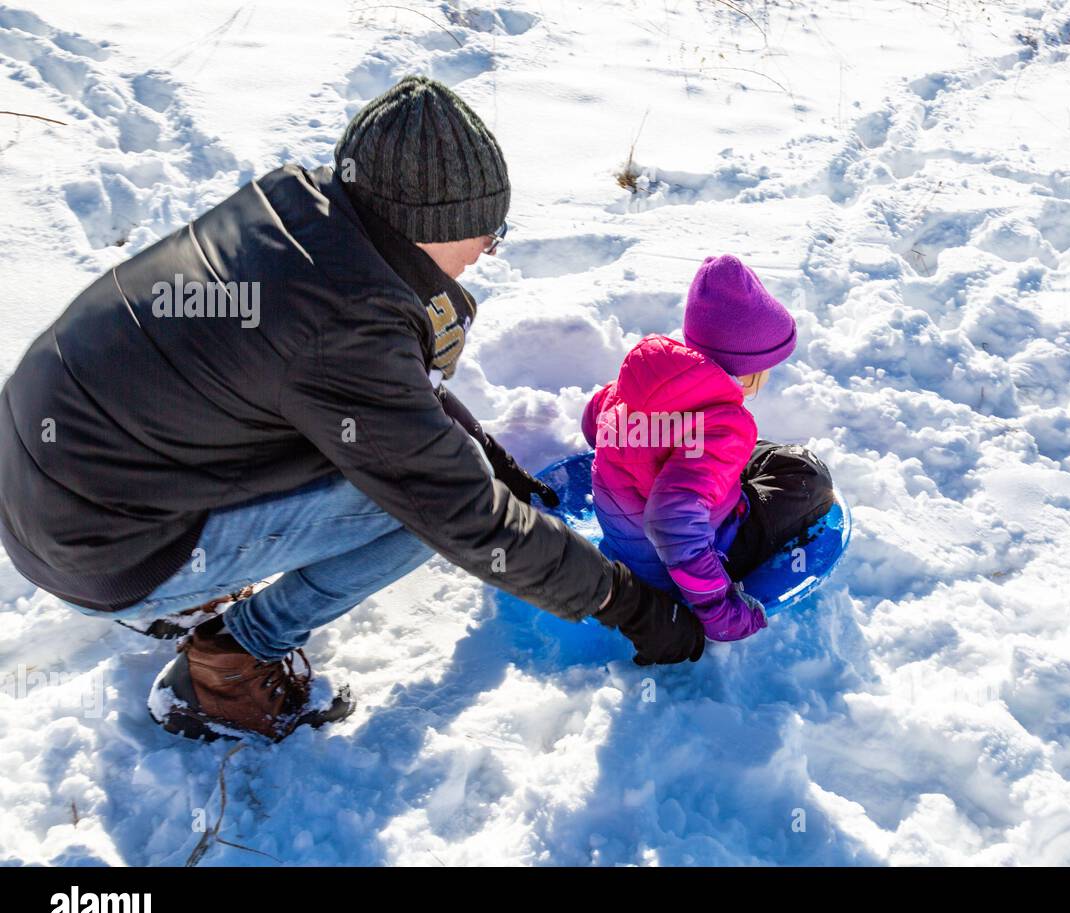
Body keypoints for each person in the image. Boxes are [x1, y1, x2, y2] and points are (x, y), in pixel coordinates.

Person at [0, 76, 706, 744]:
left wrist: (476, 446)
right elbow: (460, 513)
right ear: (432, 223)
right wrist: (632, 606)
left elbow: (357, 383)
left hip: (51, 488)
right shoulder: (344, 326)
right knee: (414, 512)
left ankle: (185, 589)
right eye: (488, 231)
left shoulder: (302, 214)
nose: (490, 249)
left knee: (403, 471)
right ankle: (230, 662)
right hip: (98, 548)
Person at [581, 254, 835, 645]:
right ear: (749, 372)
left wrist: (638, 455)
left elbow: (592, 422)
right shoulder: (725, 426)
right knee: (807, 476)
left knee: (730, 453)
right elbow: (673, 522)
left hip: (623, 546)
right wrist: (717, 609)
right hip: (686, 562)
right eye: (768, 367)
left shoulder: (632, 384)